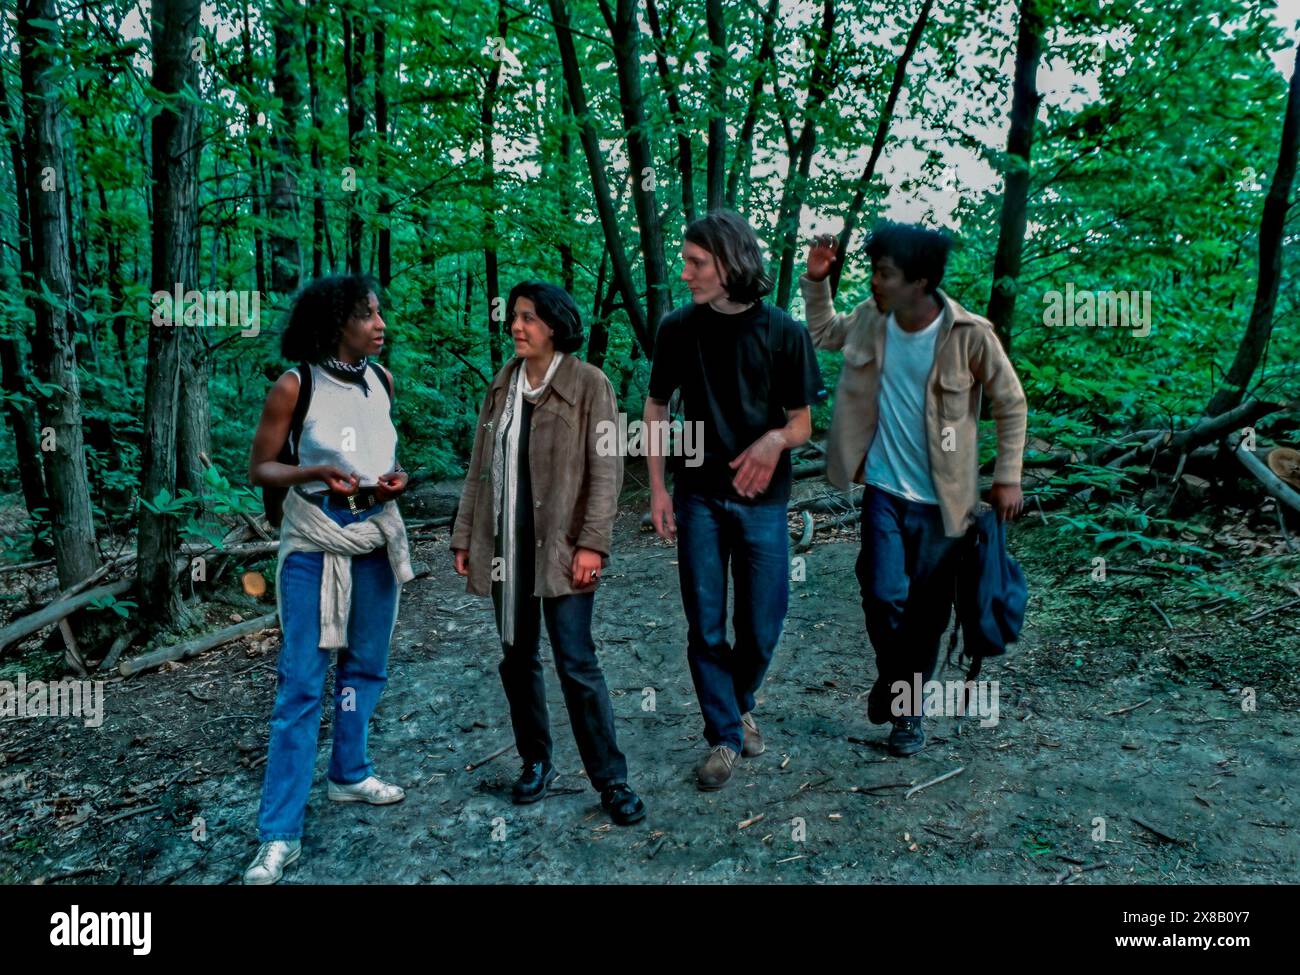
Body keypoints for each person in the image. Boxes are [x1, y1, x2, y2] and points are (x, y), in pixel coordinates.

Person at [801, 220, 1026, 757]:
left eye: (885, 273)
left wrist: (1007, 477)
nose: (875, 282)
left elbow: (1010, 402)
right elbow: (821, 332)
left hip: (945, 506)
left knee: (927, 615)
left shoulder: (970, 336)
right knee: (881, 593)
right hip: (882, 489)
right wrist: (816, 281)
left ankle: (906, 710)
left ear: (921, 281)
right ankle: (892, 676)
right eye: (875, 271)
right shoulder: (869, 321)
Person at [451, 281, 645, 826]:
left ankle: (611, 780)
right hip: (504, 546)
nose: (516, 326)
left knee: (577, 662)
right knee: (516, 658)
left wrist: (592, 543)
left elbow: (606, 474)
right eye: (515, 317)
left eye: (529, 318)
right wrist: (465, 534)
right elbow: (479, 468)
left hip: (562, 547)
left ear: (554, 326)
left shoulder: (589, 383)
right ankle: (536, 761)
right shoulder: (502, 385)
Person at [645, 210, 826, 791]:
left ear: (730, 262)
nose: (686, 271)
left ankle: (739, 700)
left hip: (764, 502)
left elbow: (802, 424)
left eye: (696, 262)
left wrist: (773, 440)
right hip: (697, 497)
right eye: (685, 260)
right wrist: (656, 488)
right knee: (705, 625)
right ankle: (723, 733)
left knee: (763, 624)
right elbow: (655, 408)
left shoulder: (784, 333)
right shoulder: (677, 328)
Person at [243, 274, 414, 885]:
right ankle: (278, 835)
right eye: (370, 314)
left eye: (380, 313)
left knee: (365, 667)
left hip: (373, 538)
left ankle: (349, 773)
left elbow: (382, 456)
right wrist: (312, 468)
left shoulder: (381, 381)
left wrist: (393, 477)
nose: (381, 323)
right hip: (316, 542)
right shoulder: (297, 385)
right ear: (339, 320)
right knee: (301, 686)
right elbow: (260, 467)